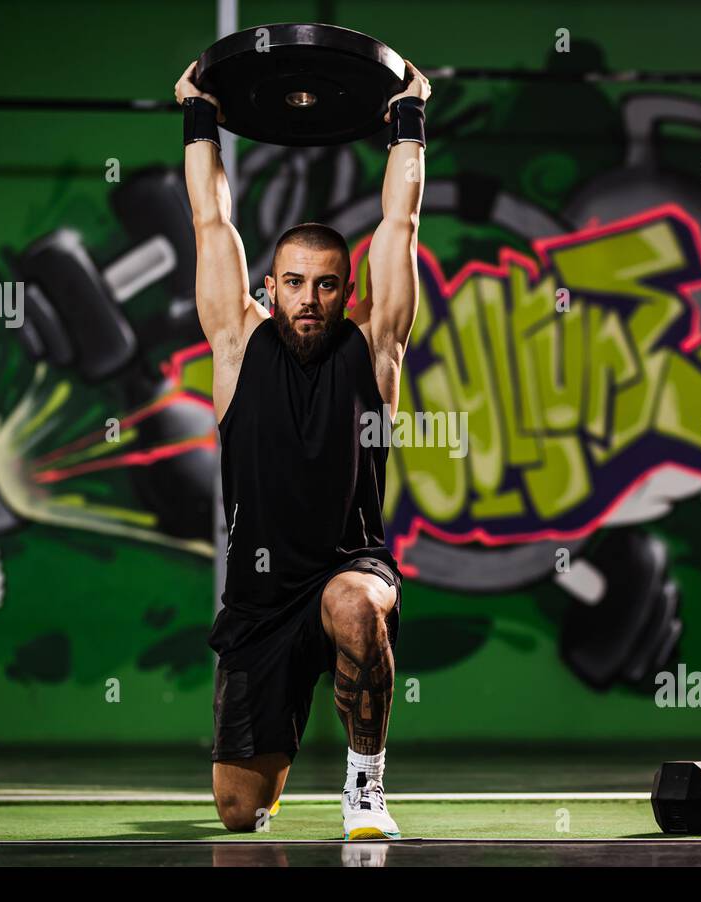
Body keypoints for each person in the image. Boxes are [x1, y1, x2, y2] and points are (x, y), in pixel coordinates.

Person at [174, 57, 429, 839]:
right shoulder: (235, 346)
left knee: (352, 606)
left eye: (325, 284)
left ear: (348, 290)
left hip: (349, 567)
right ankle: (272, 773)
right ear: (268, 286)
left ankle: (365, 789)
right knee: (237, 815)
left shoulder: (375, 349)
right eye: (292, 282)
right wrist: (198, 115)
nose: (309, 299)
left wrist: (409, 116)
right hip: (259, 601)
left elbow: (401, 223)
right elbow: (210, 222)